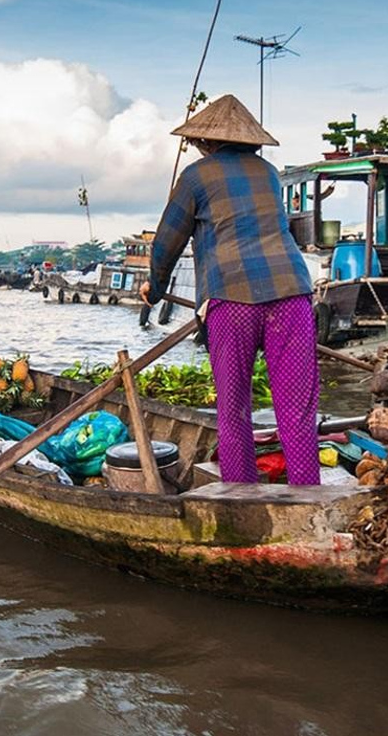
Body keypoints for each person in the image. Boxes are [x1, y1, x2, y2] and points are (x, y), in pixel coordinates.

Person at [140, 94, 320, 486]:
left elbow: (167, 241)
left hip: (232, 298)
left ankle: (241, 491)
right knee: (297, 407)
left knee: (234, 405)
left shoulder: (195, 175)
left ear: (206, 142)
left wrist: (153, 290)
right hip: (292, 293)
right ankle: (308, 492)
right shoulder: (269, 173)